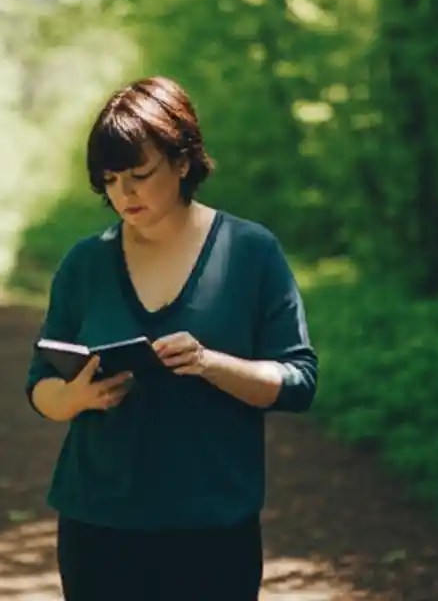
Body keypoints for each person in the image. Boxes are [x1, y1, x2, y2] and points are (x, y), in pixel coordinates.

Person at [24, 76, 319, 601]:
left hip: (212, 531)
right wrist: (75, 398)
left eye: (140, 173)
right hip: (98, 525)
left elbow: (298, 382)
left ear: (183, 162)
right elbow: (40, 385)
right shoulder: (85, 263)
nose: (125, 193)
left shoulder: (251, 253)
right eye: (110, 180)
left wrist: (210, 363)